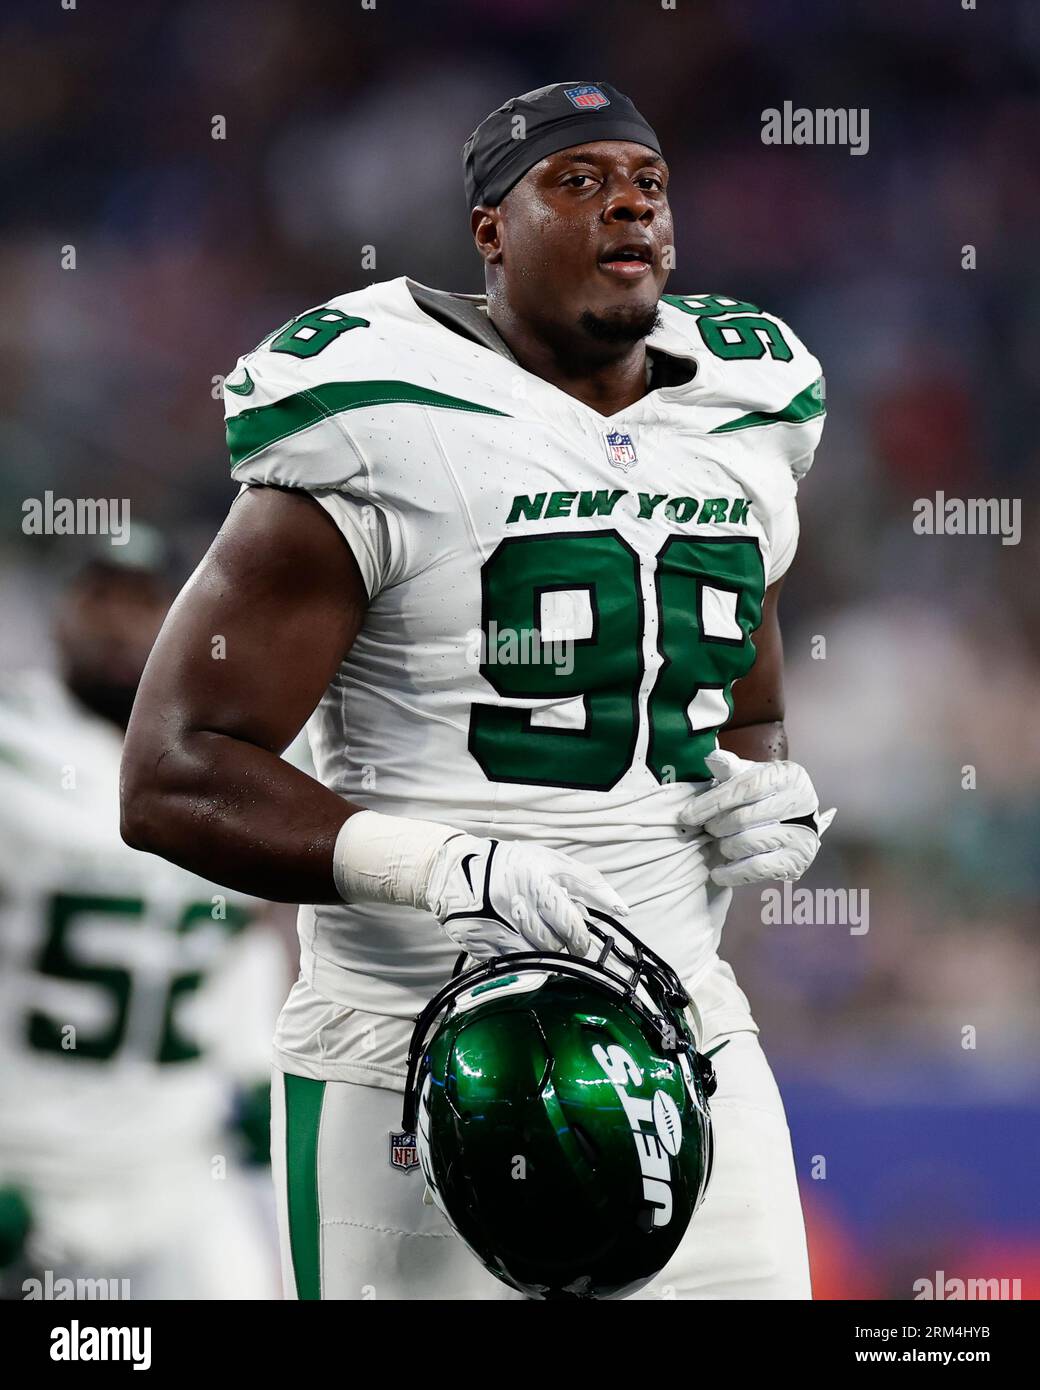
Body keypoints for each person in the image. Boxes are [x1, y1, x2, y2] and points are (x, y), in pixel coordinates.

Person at [120, 81, 833, 1300]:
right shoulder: (380, 406)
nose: (627, 206)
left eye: (648, 184)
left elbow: (739, 694)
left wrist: (763, 789)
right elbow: (174, 772)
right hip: (416, 1060)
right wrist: (449, 867)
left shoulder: (745, 405)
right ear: (489, 228)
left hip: (684, 1042)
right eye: (576, 179)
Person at [0, 538, 284, 1299]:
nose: (121, 624)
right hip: (28, 1174)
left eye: (143, 602)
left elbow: (237, 945)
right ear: (61, 616)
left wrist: (256, 1076)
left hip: (177, 1173)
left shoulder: (218, 762)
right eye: (101, 598)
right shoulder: (13, 750)